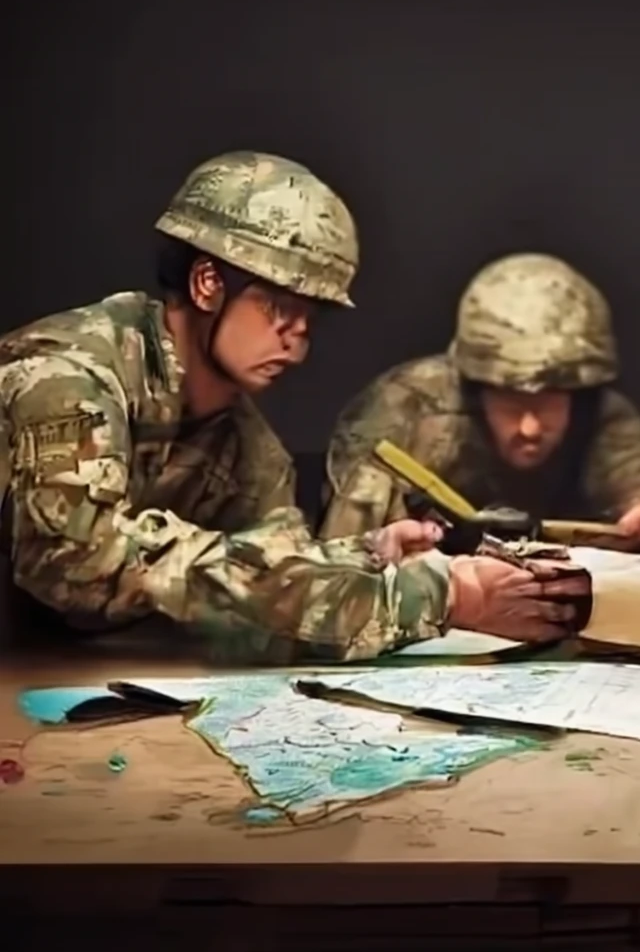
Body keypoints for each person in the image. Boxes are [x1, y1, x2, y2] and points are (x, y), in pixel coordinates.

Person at [0, 152, 587, 662]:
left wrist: (364, 560)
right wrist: (448, 598)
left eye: (311, 317)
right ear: (207, 283)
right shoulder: (67, 374)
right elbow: (73, 562)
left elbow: (260, 602)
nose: (298, 340)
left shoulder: (251, 455)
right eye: (280, 307)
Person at [321, 252, 640, 551]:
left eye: (548, 404)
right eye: (512, 404)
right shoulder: (408, 411)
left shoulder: (604, 416)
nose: (530, 428)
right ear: (476, 387)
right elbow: (341, 563)